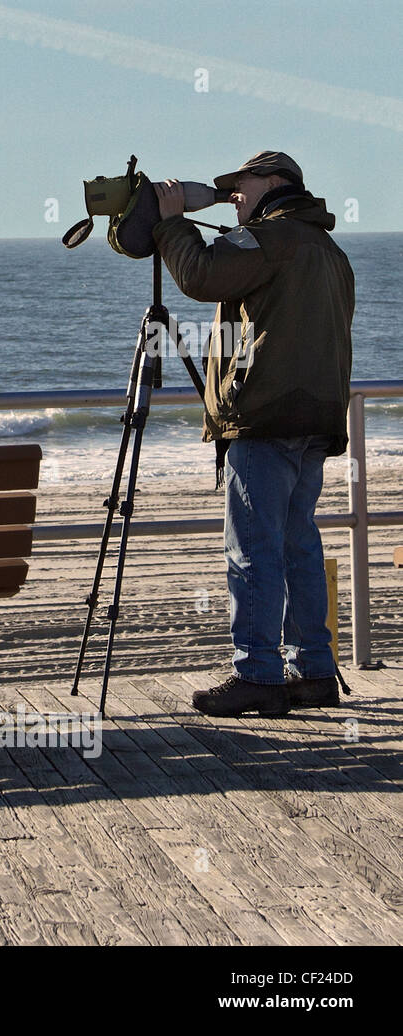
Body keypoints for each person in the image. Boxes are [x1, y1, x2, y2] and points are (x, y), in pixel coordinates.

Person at [153, 151, 353, 718]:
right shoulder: (329, 250)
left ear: (275, 183)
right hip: (315, 419)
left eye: (241, 185)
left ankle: (259, 674)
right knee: (297, 547)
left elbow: (201, 276)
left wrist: (170, 222)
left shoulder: (270, 237)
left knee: (253, 553)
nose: (233, 195)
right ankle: (314, 670)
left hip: (266, 418)